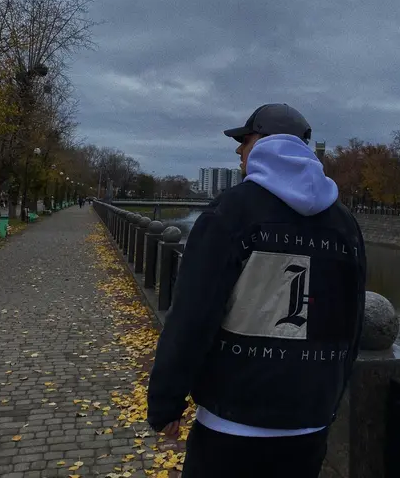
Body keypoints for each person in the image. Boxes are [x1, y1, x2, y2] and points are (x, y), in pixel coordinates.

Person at [147, 103, 366, 478]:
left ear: (264, 142)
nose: (238, 150)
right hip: (310, 424)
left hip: (231, 422)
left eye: (244, 140)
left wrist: (166, 401)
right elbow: (354, 322)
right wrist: (330, 399)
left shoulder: (231, 211)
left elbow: (192, 317)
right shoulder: (344, 223)